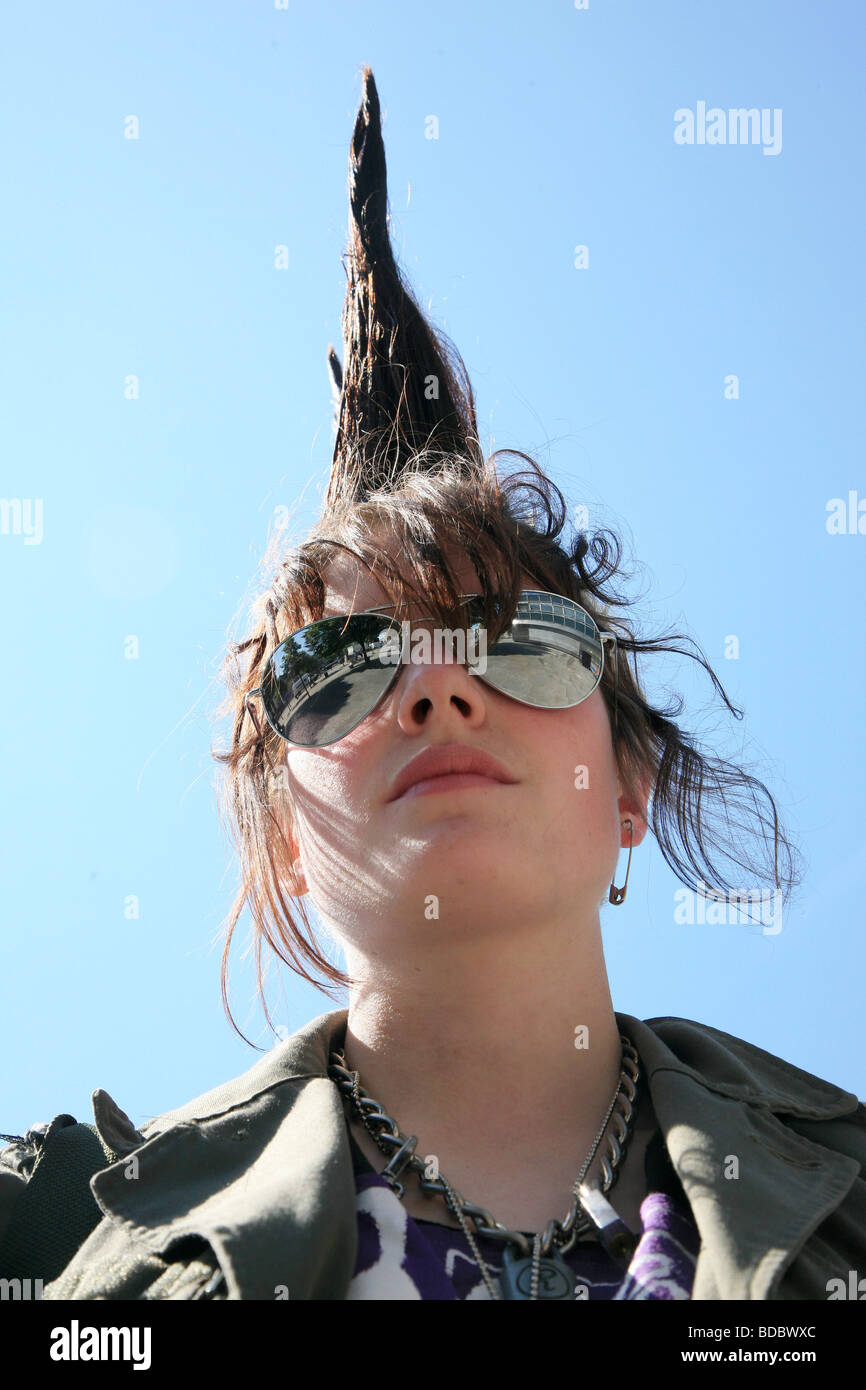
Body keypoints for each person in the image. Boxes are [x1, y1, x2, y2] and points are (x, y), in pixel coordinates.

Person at [1, 66, 864, 1303]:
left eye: (521, 641)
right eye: (339, 668)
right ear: (283, 839)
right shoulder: (61, 1255)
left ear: (626, 786)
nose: (438, 692)